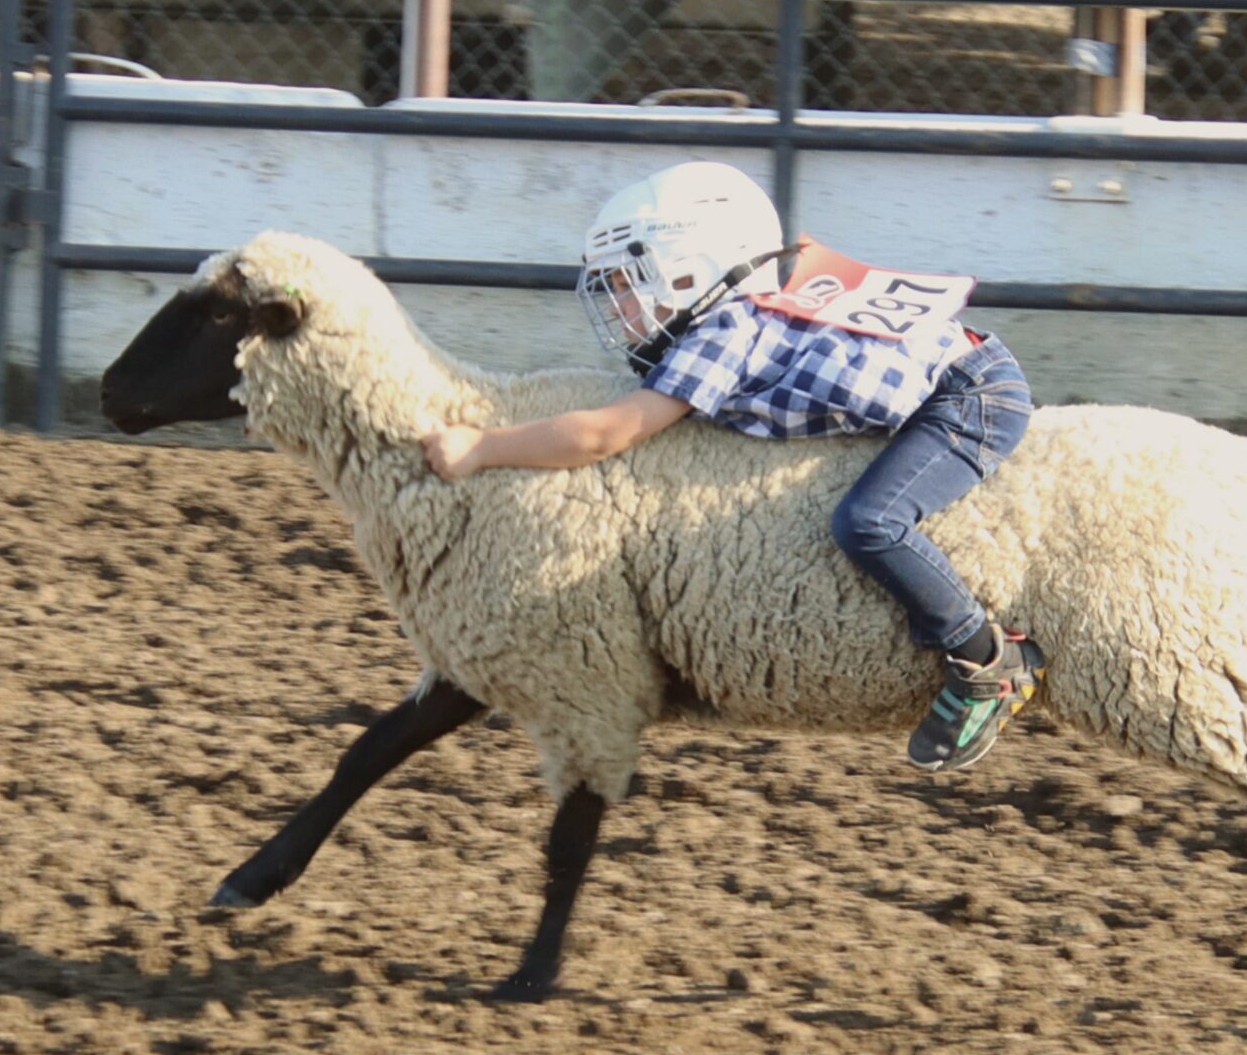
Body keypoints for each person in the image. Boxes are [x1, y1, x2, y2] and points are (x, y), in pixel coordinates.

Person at [420, 161, 1043, 772]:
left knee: (869, 522)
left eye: (630, 283)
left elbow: (604, 435)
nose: (620, 305)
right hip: (956, 370)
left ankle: (987, 658)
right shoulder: (741, 315)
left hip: (972, 396)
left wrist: (482, 448)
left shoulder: (725, 333)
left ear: (690, 272)